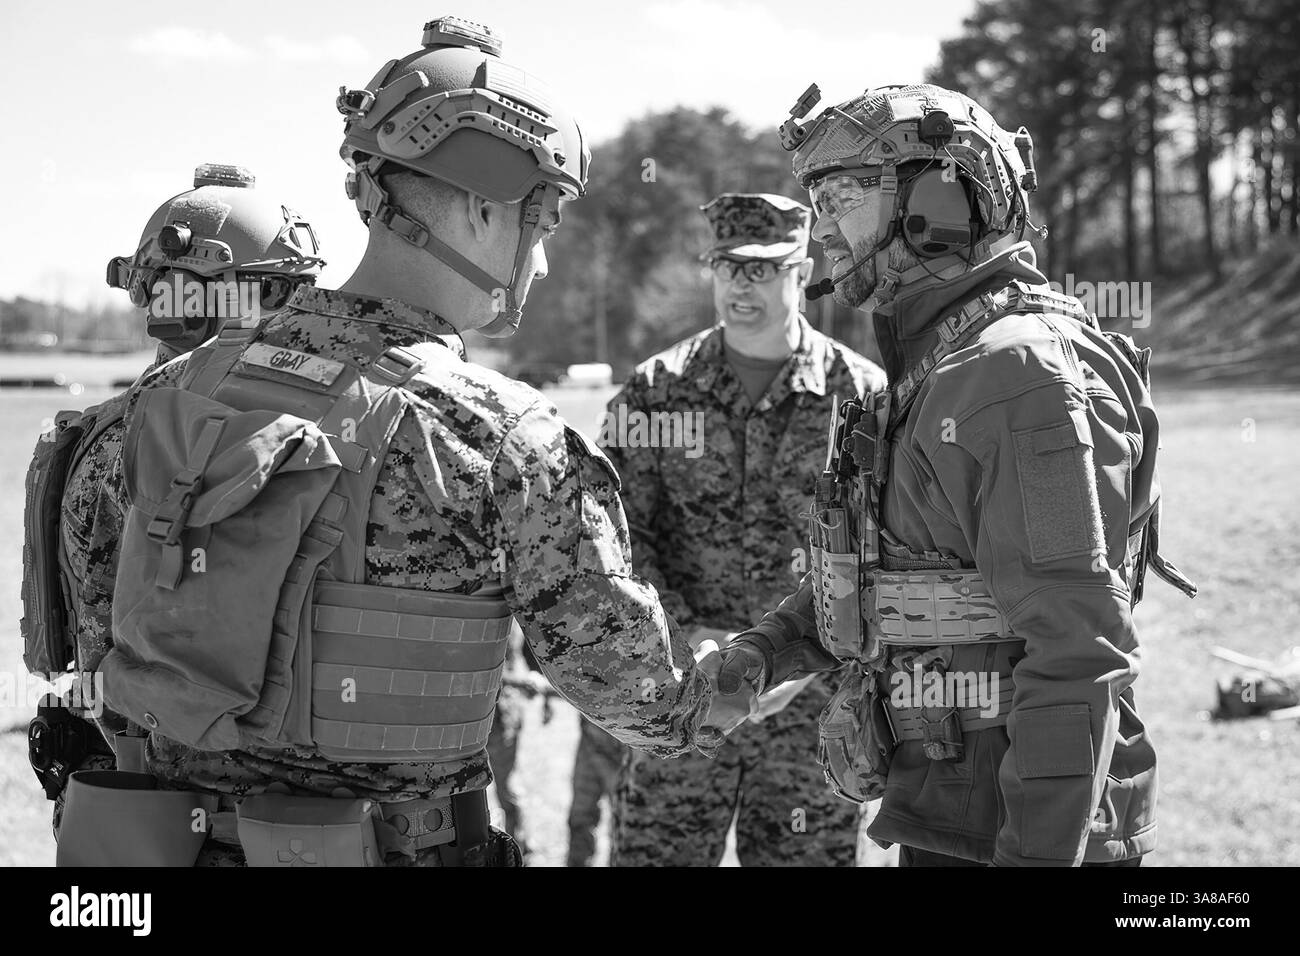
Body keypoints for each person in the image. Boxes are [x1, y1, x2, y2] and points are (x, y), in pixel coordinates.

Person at [58, 16, 740, 869]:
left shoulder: (159, 398)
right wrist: (745, 667)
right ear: (489, 209)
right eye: (546, 223)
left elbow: (94, 644)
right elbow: (644, 703)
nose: (543, 262)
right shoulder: (502, 438)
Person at [713, 83, 1197, 866]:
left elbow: (1077, 654)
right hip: (955, 810)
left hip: (1024, 831)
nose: (822, 230)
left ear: (938, 199)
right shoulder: (942, 364)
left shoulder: (1017, 373)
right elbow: (903, 582)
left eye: (841, 196)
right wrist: (762, 654)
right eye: (817, 200)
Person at [21, 164, 324, 823]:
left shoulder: (114, 429)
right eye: (278, 294)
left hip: (131, 792)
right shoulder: (242, 434)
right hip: (202, 787)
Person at [605, 193, 885, 867]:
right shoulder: (655, 392)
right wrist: (685, 633)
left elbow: (884, 551)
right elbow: (615, 535)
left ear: (801, 270)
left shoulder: (863, 396)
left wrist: (799, 654)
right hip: (681, 694)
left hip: (811, 709)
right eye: (726, 267)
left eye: (761, 269)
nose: (740, 284)